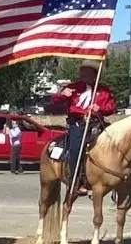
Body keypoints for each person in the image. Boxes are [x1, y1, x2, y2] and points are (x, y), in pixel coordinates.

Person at [49, 59, 116, 196]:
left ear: (95, 75)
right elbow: (54, 102)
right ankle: (75, 181)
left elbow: (111, 108)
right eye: (82, 73)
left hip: (97, 122)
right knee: (76, 147)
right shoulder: (73, 87)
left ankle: (118, 177)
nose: (82, 76)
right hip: (78, 123)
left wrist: (100, 108)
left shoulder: (103, 90)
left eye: (86, 73)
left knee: (117, 143)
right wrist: (61, 94)